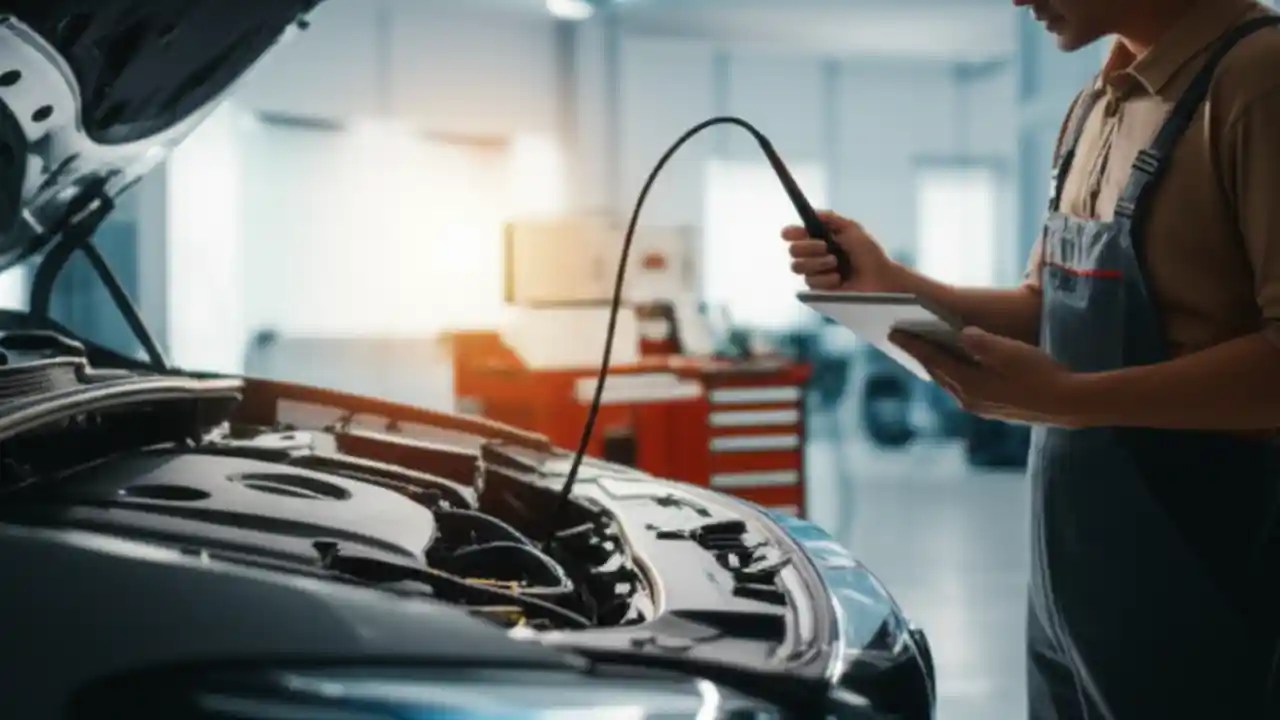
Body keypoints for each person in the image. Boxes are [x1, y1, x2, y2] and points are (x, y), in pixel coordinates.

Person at [784, 0, 1280, 717]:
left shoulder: (1259, 81)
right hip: (1072, 577)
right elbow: (1049, 307)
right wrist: (893, 284)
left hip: (1209, 580)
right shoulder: (1092, 105)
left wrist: (1069, 401)